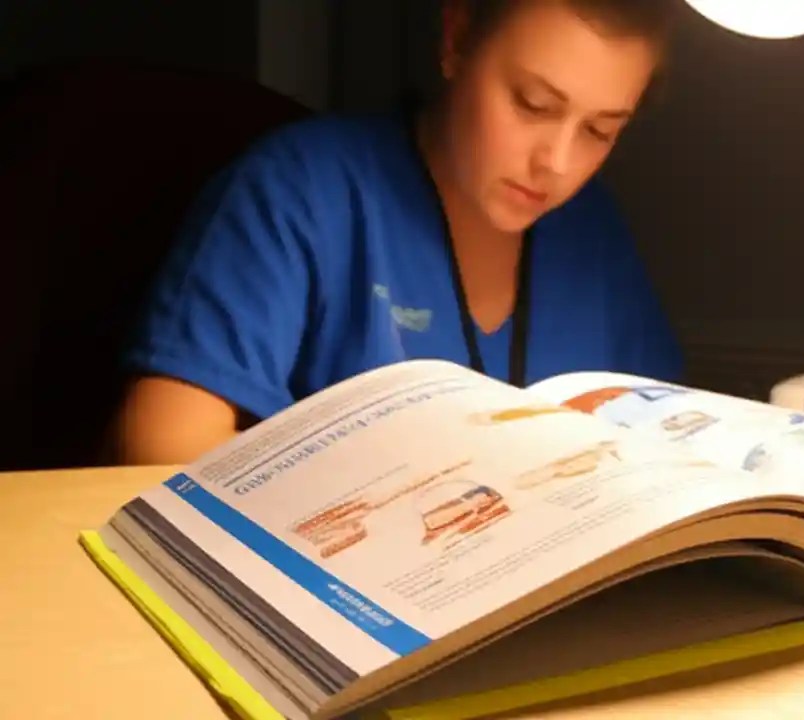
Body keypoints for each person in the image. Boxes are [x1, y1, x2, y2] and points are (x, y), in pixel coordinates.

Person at [111, 0, 685, 465]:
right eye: (532, 105)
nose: (557, 162)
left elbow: (667, 439)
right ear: (456, 39)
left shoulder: (591, 235)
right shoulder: (306, 187)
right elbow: (161, 442)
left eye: (600, 130)